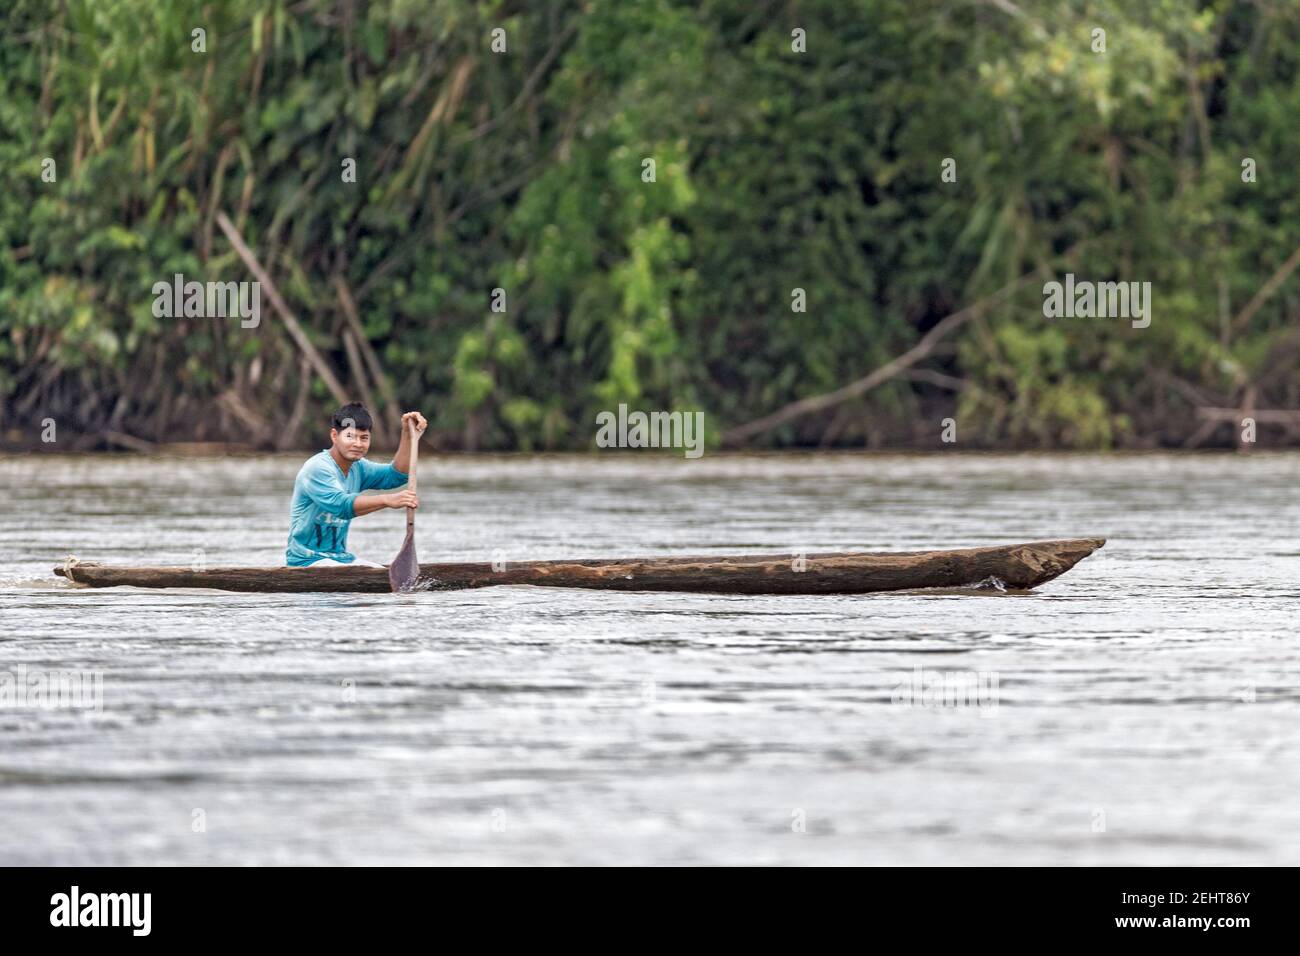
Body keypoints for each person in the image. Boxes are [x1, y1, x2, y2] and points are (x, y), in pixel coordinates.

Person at [286, 403, 427, 567]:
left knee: (382, 575)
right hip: (306, 561)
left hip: (341, 558)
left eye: (364, 438)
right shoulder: (317, 468)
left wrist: (408, 436)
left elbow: (397, 476)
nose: (358, 444)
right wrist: (387, 500)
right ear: (334, 436)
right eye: (350, 436)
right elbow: (342, 506)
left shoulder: (359, 468)